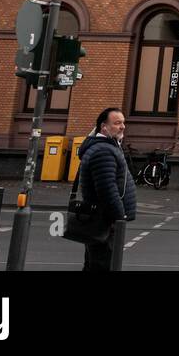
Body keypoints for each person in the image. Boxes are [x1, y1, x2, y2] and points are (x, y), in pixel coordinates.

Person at [76, 107, 137, 271]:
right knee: (103, 264)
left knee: (94, 264)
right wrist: (119, 216)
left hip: (101, 218)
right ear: (104, 127)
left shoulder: (106, 147)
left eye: (123, 122)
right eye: (117, 123)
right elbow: (107, 189)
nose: (123, 126)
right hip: (104, 220)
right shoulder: (104, 150)